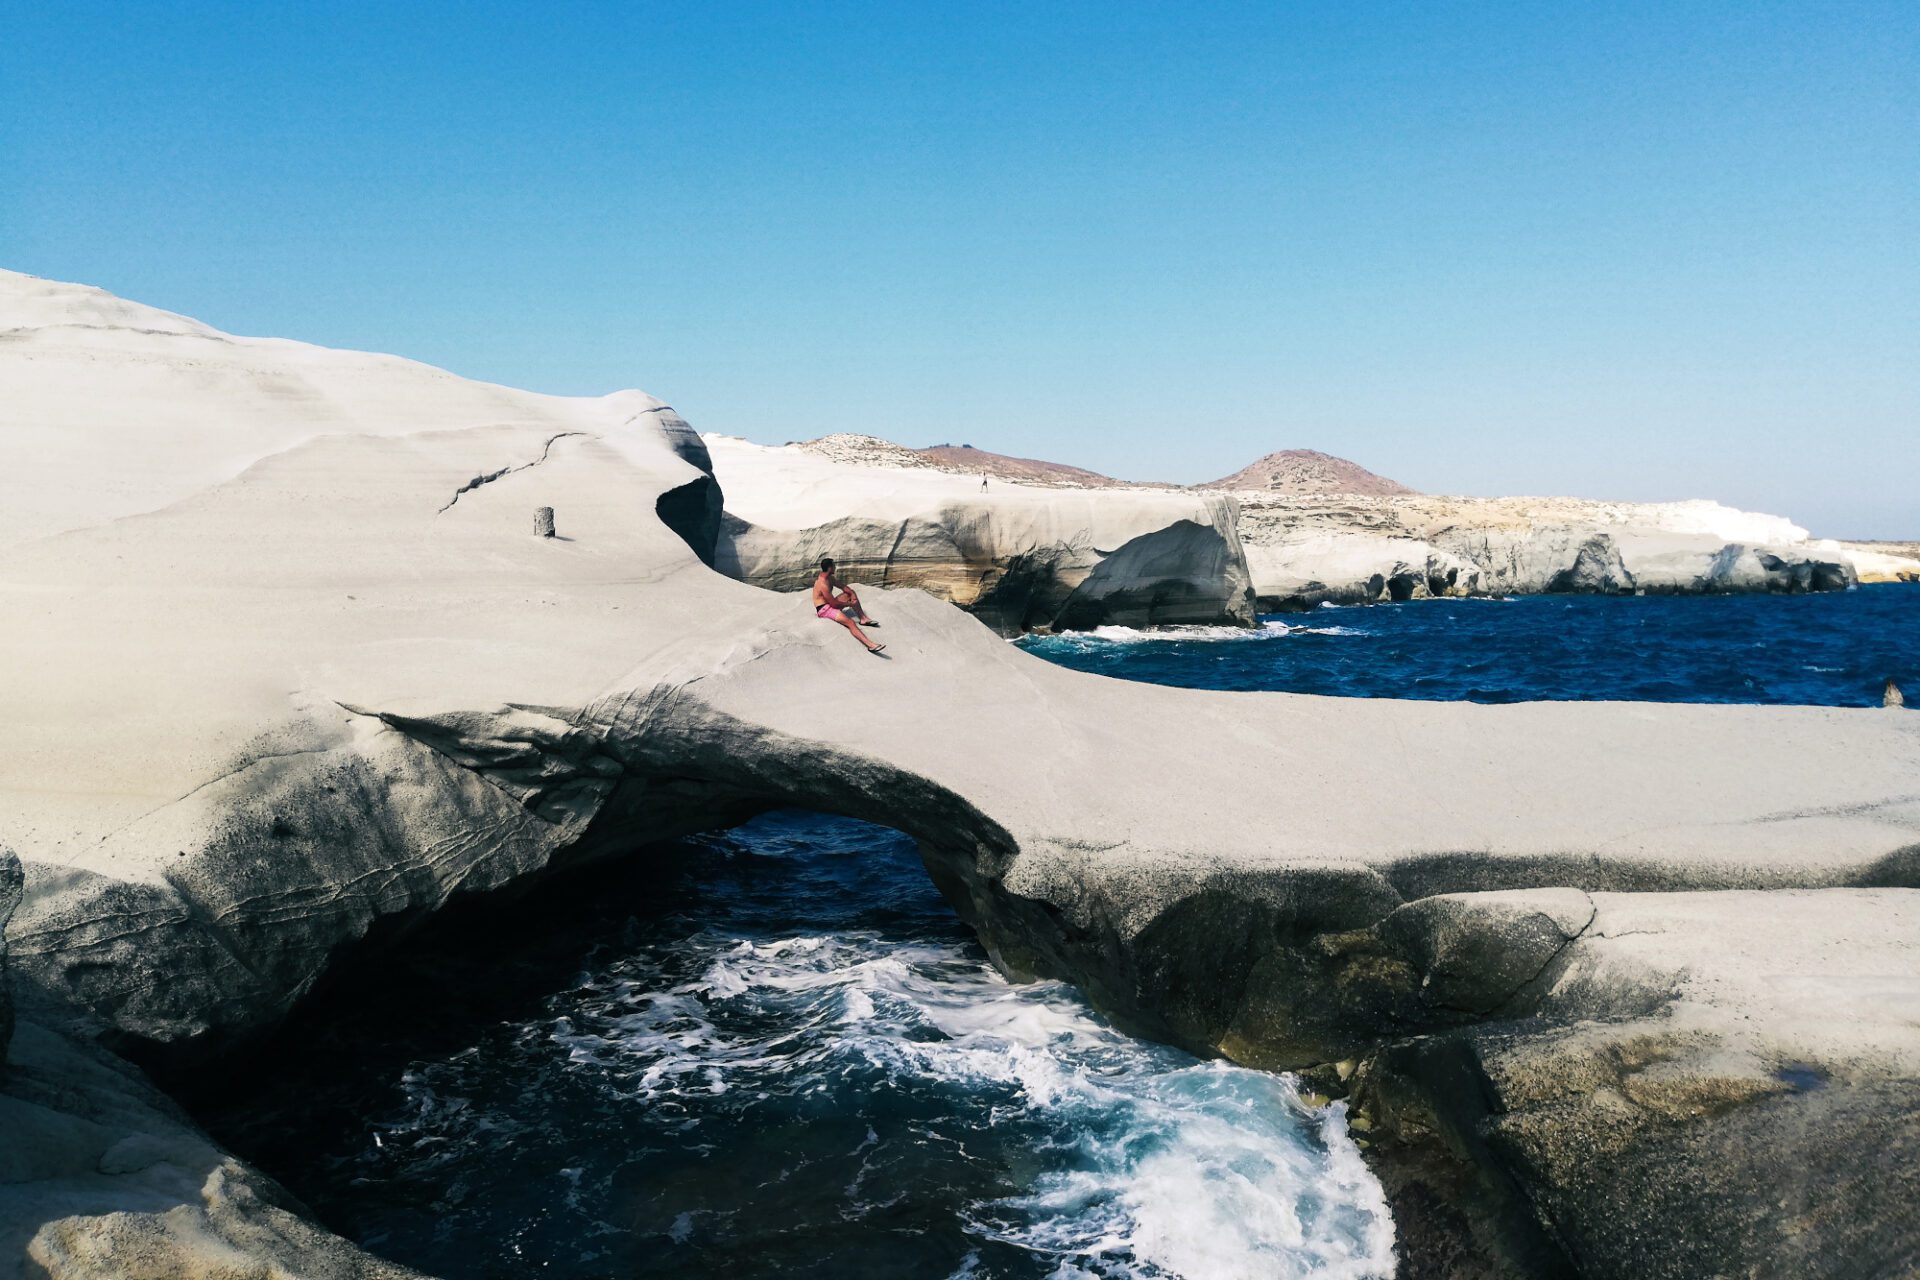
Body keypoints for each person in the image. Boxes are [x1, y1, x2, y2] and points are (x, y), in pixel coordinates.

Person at [813, 557, 885, 655]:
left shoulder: (829, 578)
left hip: (829, 604)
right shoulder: (822, 583)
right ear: (830, 568)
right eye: (834, 566)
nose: (835, 567)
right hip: (824, 610)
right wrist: (850, 604)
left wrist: (852, 593)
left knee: (849, 594)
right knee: (850, 623)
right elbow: (834, 604)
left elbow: (842, 586)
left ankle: (863, 619)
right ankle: (871, 645)